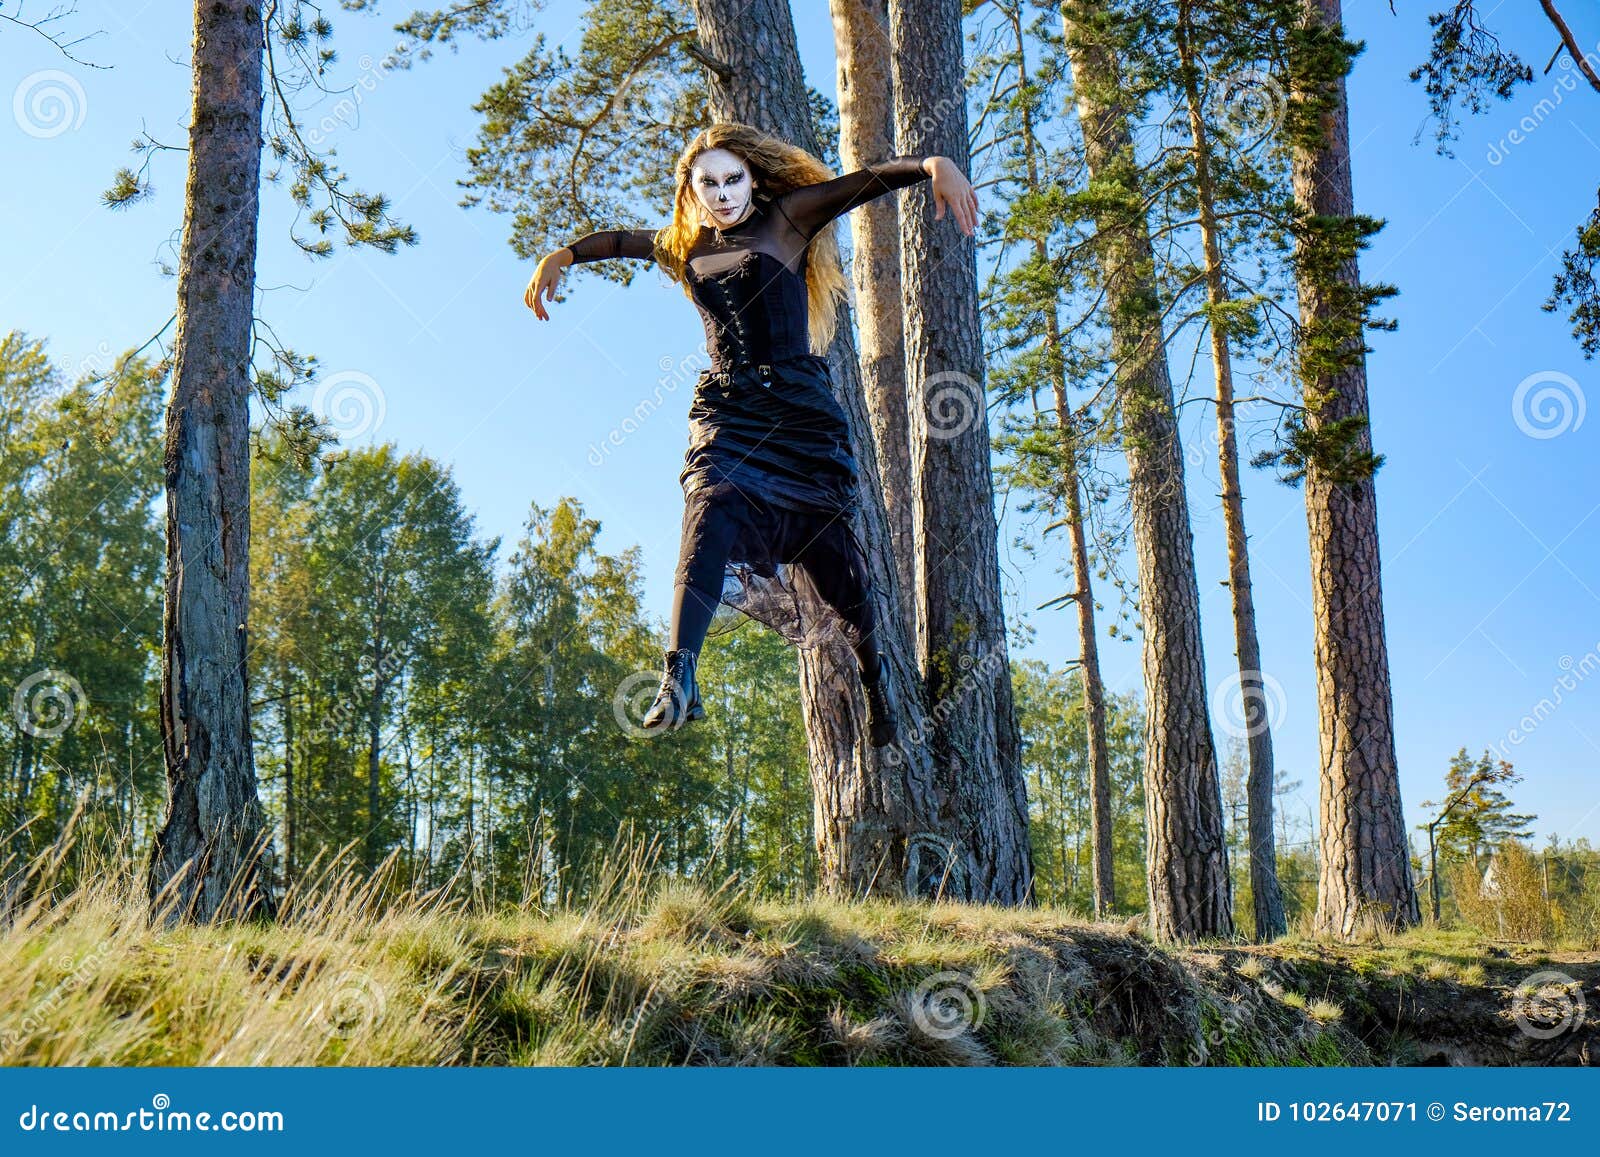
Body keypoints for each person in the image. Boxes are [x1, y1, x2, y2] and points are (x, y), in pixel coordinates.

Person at [523, 122, 977, 747]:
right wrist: (564, 254)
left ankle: (878, 686)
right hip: (729, 410)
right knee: (710, 503)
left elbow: (861, 185)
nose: (722, 192)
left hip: (797, 413)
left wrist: (932, 164)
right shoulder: (686, 247)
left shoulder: (788, 218)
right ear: (692, 190)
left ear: (753, 178)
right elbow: (623, 240)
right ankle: (678, 676)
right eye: (707, 183)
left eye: (732, 179)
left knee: (837, 567)